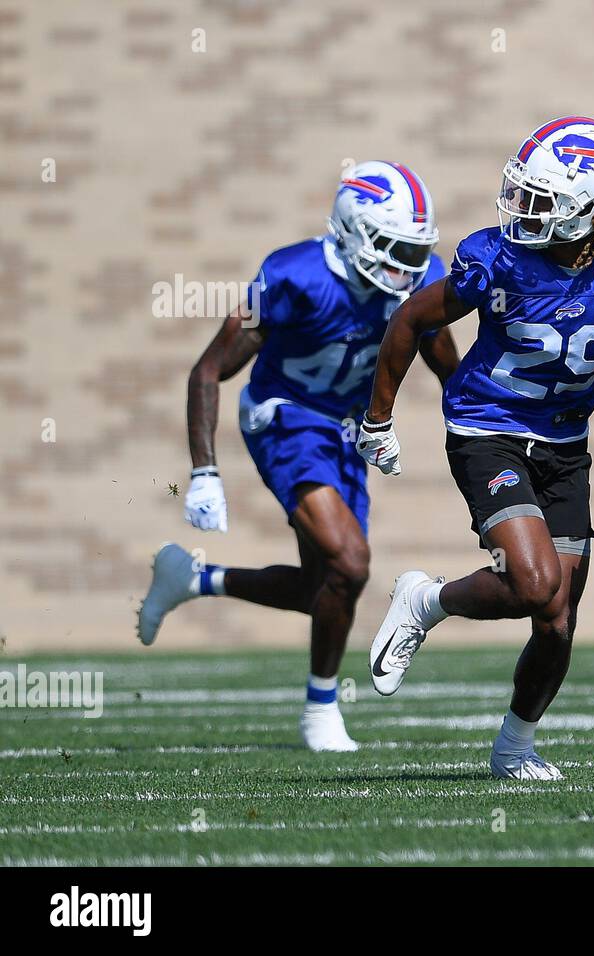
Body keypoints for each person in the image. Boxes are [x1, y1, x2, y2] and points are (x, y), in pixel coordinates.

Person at [356, 117, 594, 780]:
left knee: (558, 618)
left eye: (543, 201)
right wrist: (379, 418)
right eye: (522, 193)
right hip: (488, 430)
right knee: (535, 584)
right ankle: (425, 600)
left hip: (563, 446)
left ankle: (514, 749)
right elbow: (413, 319)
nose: (523, 210)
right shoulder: (495, 259)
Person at [137, 162, 459, 752]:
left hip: (348, 431)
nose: (406, 267)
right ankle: (321, 708)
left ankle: (194, 579)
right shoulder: (294, 276)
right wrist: (205, 471)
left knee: (327, 583)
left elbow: (450, 372)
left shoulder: (420, 280)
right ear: (350, 232)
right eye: (391, 248)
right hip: (284, 417)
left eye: (415, 251)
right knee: (353, 561)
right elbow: (208, 371)